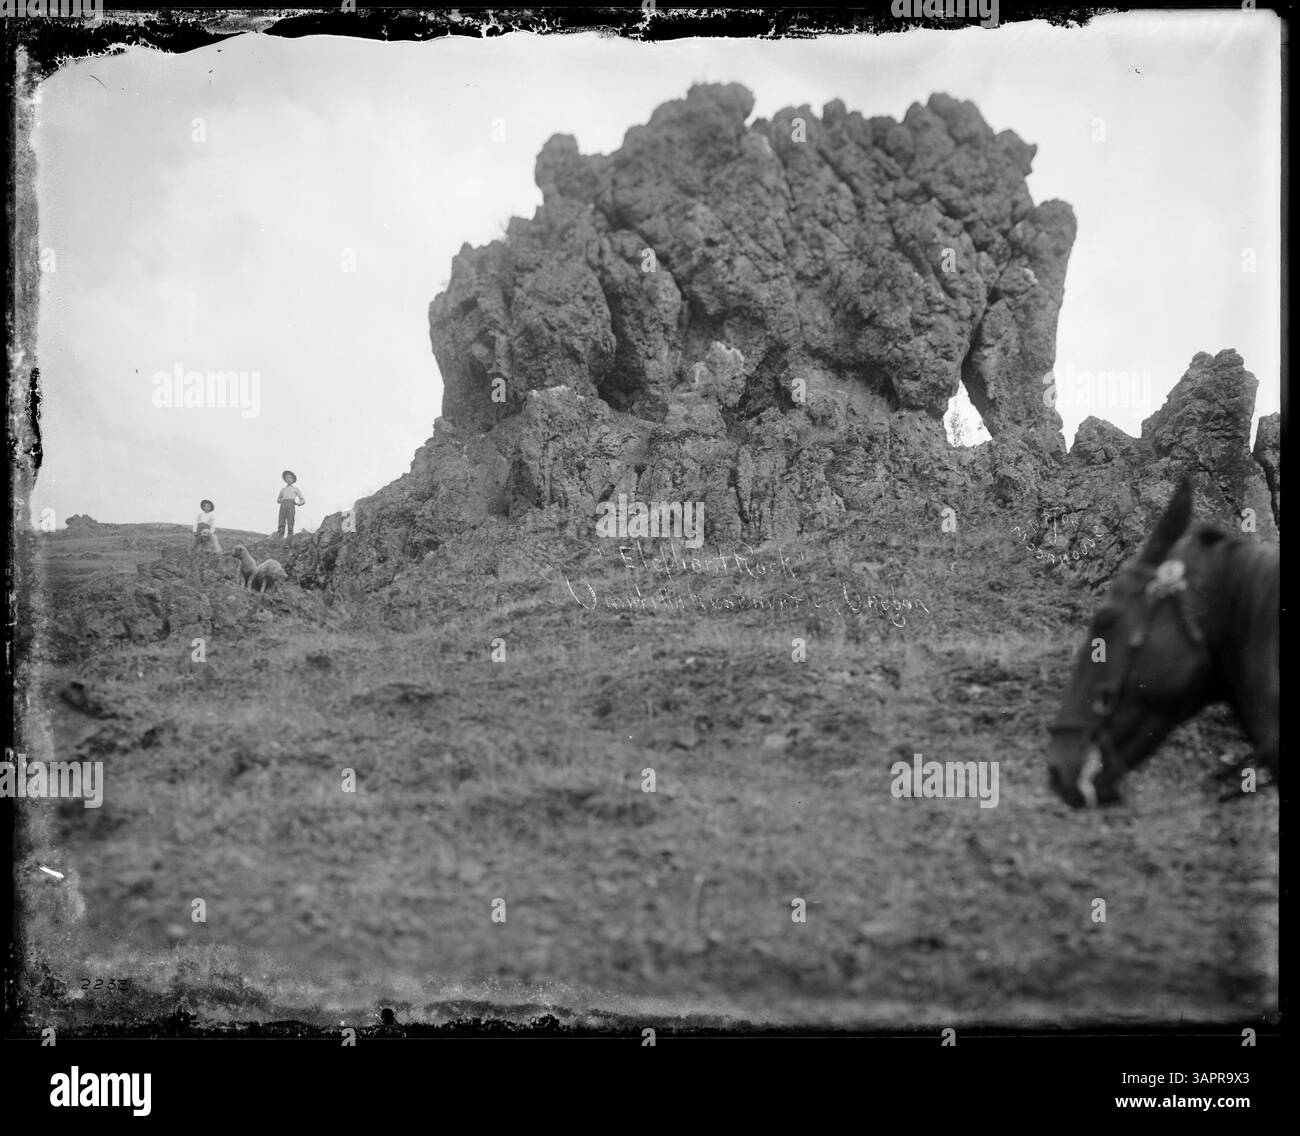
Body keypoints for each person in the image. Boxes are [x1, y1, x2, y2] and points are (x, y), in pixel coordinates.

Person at [275, 470, 306, 539]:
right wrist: (282, 500)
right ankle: (279, 540)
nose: (288, 479)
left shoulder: (295, 489)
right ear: (285, 480)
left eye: (290, 478)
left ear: (293, 479)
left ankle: (289, 540)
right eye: (287, 478)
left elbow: (303, 500)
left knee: (290, 522)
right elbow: (278, 500)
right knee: (281, 522)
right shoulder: (283, 490)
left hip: (291, 505)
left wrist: (298, 503)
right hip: (283, 506)